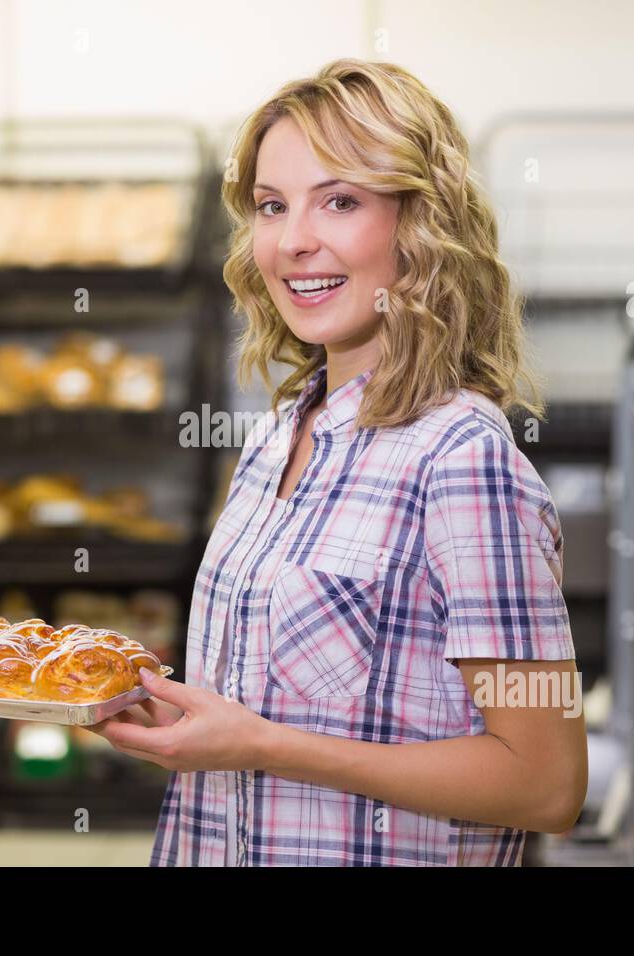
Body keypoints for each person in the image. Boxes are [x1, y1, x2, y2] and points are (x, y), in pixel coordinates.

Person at [89, 58, 587, 866]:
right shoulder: (275, 440)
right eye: (272, 206)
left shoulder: (462, 460)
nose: (293, 242)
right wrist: (172, 718)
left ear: (420, 224)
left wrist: (264, 746)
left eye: (341, 201)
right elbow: (264, 714)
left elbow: (546, 783)